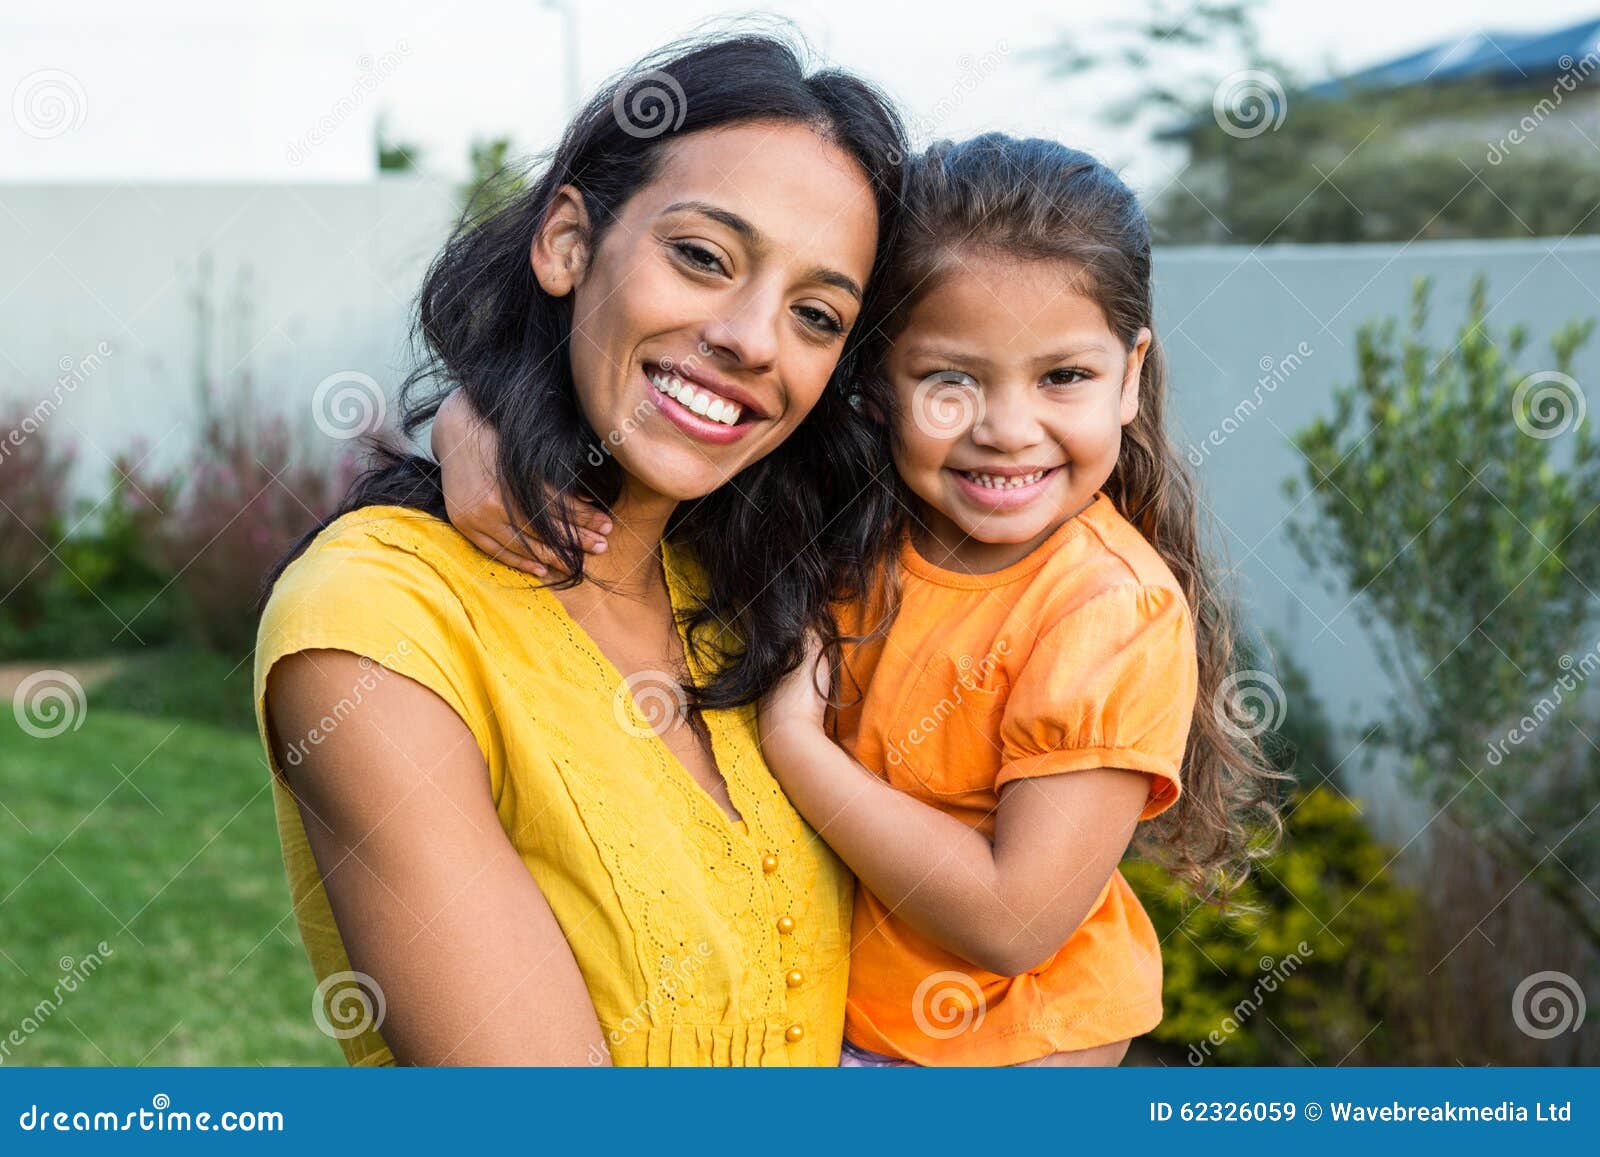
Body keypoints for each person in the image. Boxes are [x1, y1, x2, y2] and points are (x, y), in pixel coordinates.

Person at [433, 134, 1287, 1067]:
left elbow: (1013, 921)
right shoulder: (853, 513)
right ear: (876, 386)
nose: (1005, 430)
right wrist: (472, 428)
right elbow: (669, 445)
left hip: (997, 1063)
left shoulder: (1107, 611)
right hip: (843, 1031)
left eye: (1064, 376)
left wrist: (796, 747)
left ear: (1130, 372)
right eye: (950, 379)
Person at [253, 31, 906, 1066]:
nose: (752, 337)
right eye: (701, 256)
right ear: (566, 241)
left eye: (816, 314)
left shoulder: (763, 594)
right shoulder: (377, 621)